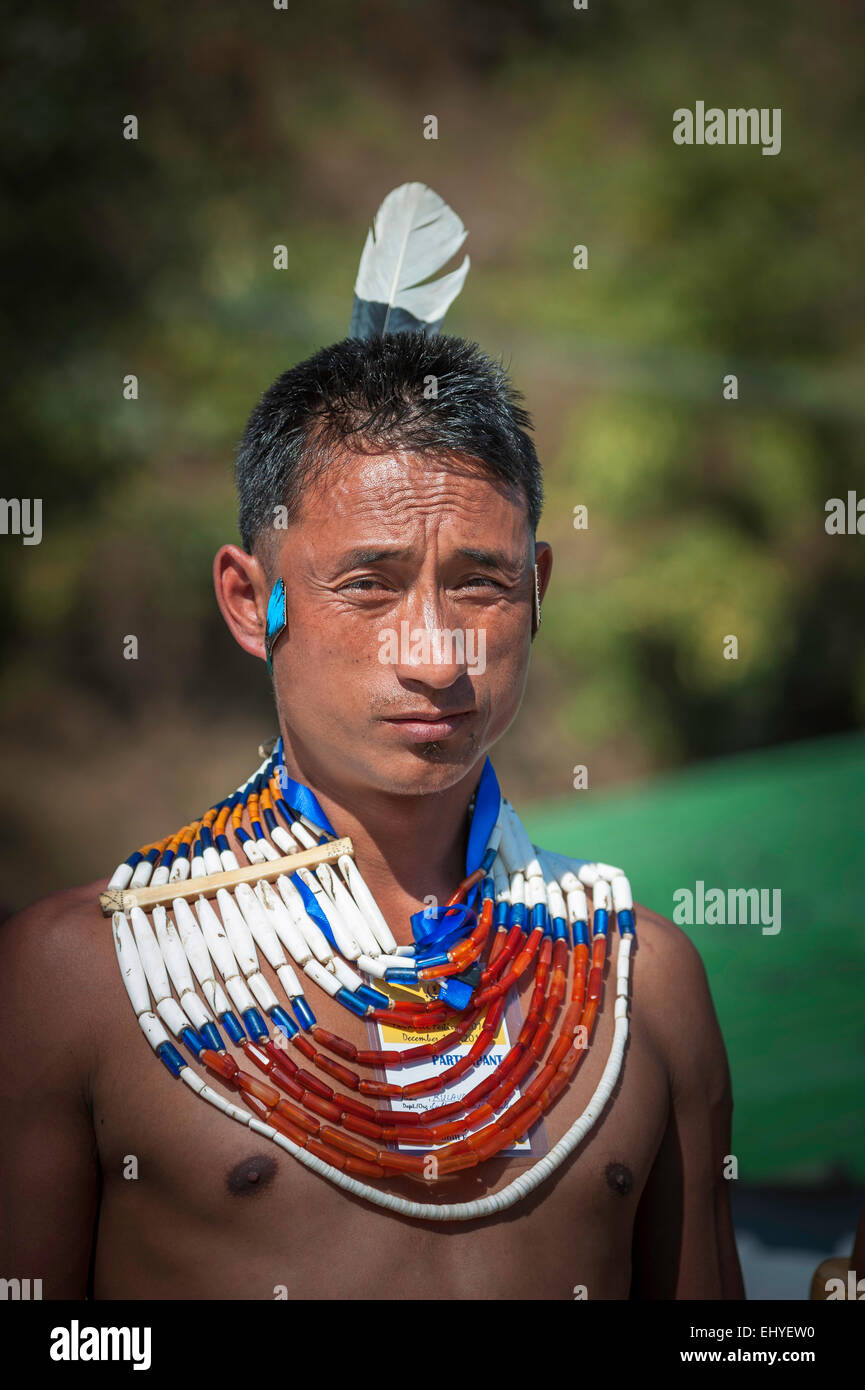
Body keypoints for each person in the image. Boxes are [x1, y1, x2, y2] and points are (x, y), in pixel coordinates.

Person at [0, 189, 744, 1301]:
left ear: (537, 592)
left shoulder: (644, 985)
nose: (439, 653)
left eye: (480, 583)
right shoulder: (79, 980)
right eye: (371, 584)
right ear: (252, 603)